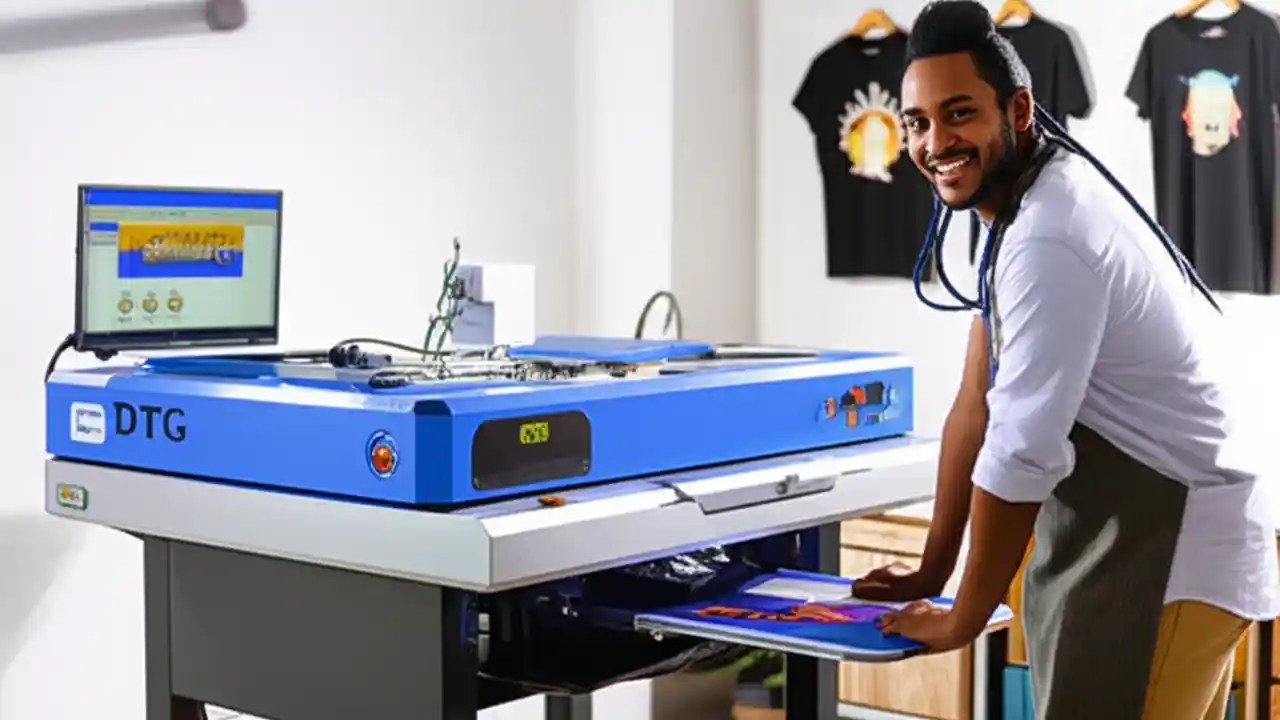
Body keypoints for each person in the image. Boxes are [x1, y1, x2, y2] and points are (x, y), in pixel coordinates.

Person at [849, 2, 1280, 718]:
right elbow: (974, 403)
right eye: (919, 122)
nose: (934, 142)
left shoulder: (1050, 234)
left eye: (959, 114)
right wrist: (934, 567)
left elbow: (1020, 450)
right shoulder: (1019, 209)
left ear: (1017, 108)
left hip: (1170, 547)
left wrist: (961, 617)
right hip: (1145, 532)